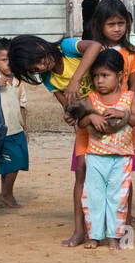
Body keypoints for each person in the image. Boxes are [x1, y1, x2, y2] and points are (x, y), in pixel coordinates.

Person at [6, 33, 102, 246]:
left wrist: (75, 80)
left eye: (39, 60)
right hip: (87, 125)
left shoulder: (66, 48)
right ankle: (79, 230)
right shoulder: (49, 79)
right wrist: (70, 114)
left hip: (107, 115)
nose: (40, 67)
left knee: (114, 173)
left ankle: (116, 221)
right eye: (34, 68)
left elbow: (95, 45)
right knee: (80, 173)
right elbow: (68, 106)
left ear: (41, 45)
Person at [79, 49, 135, 249]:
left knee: (118, 198)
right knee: (93, 196)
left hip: (122, 157)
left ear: (120, 76)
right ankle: (94, 235)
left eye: (105, 75)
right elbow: (80, 122)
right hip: (95, 156)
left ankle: (114, 236)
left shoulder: (129, 98)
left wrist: (122, 114)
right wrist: (91, 117)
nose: (100, 81)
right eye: (96, 76)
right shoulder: (90, 98)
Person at [0, 38, 29, 209]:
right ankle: (6, 195)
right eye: (4, 60)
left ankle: (6, 194)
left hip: (17, 130)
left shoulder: (19, 81)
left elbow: (22, 106)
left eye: (11, 60)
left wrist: (25, 128)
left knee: (17, 162)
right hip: (3, 131)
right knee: (11, 163)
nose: (8, 64)